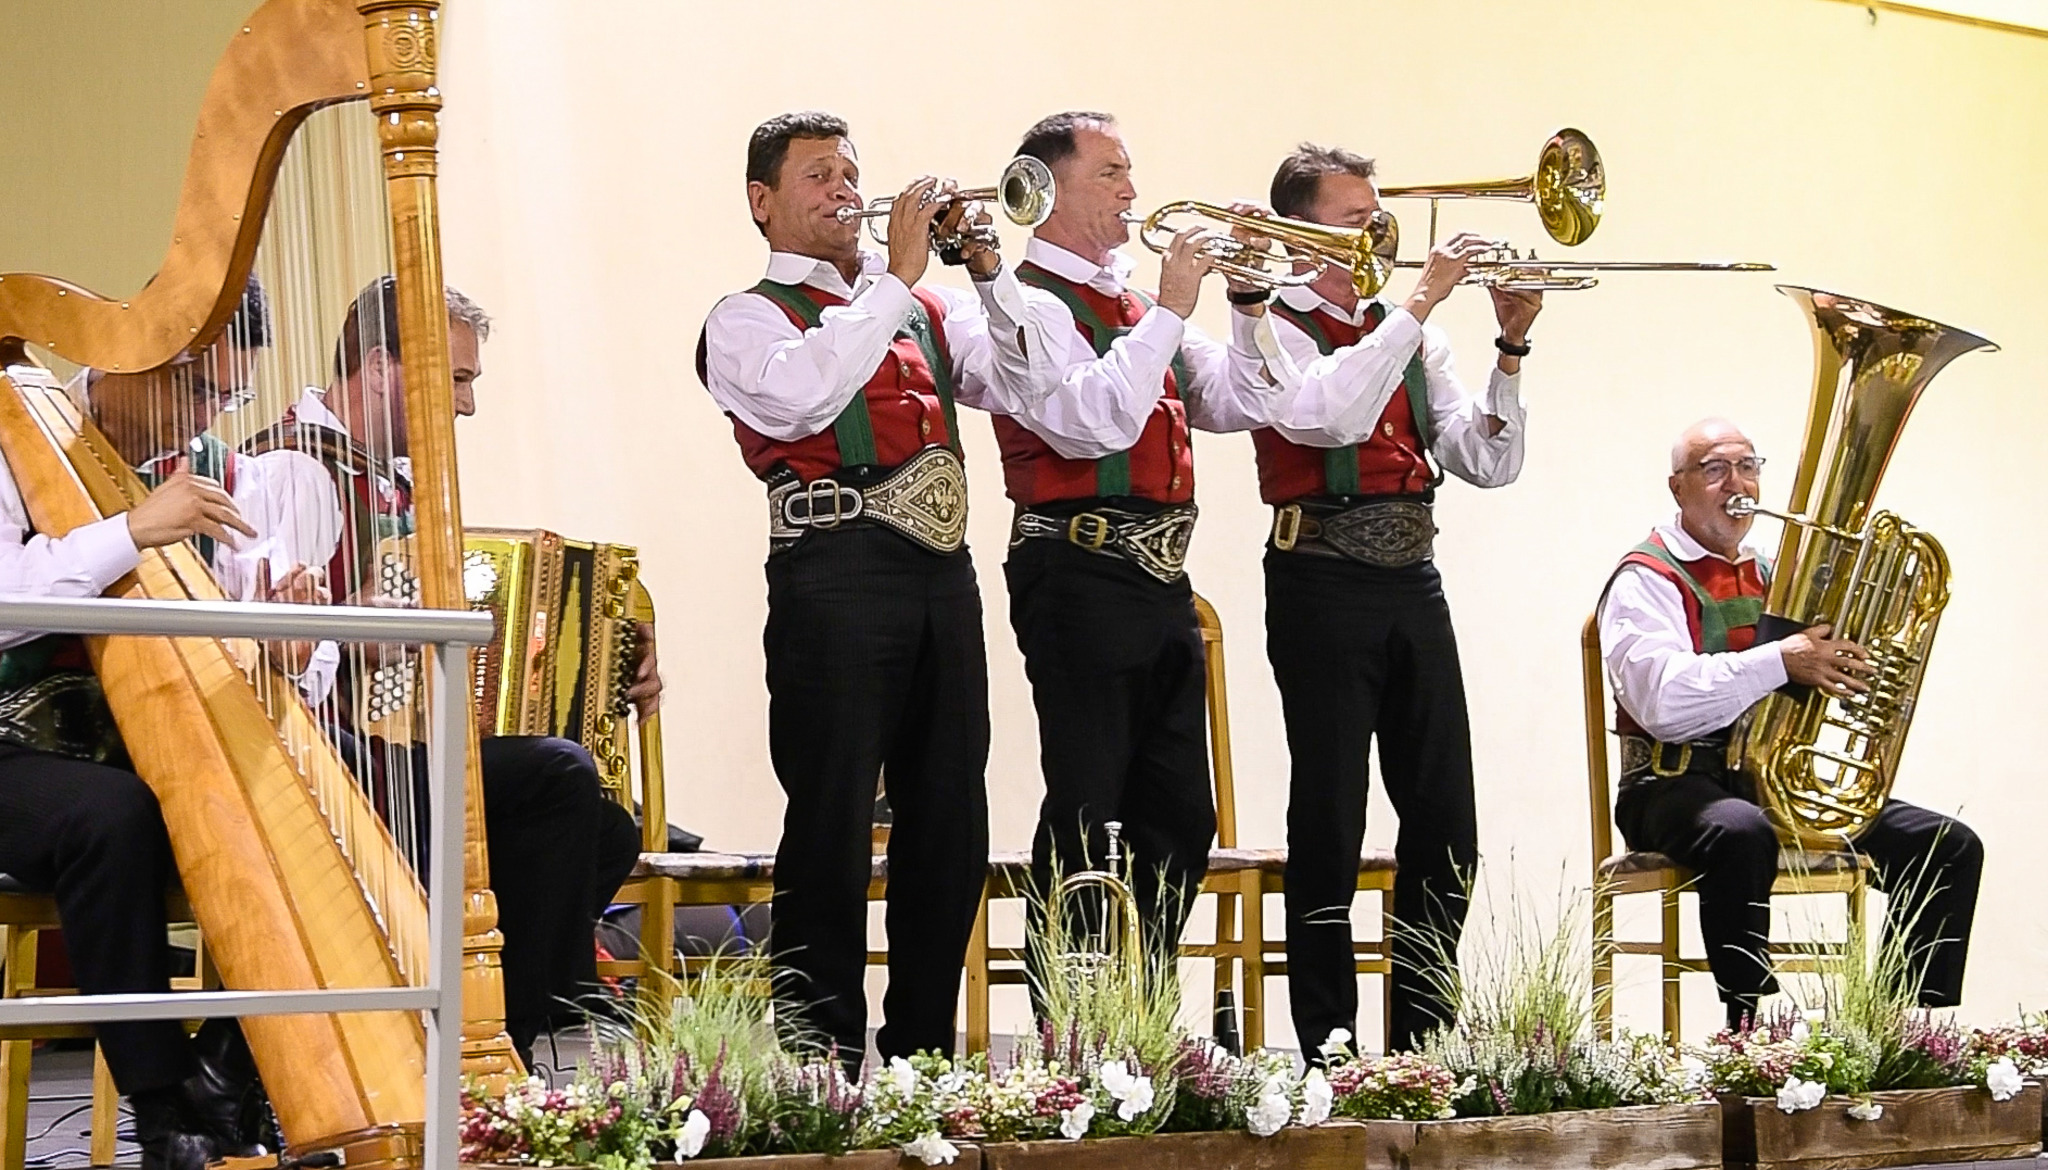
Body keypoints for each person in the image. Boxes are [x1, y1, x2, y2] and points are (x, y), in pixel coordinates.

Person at [697, 109, 1074, 1066]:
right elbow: (801, 396)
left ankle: (923, 1059)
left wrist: (987, 276)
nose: (845, 193)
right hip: (834, 573)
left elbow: (1036, 385)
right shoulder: (743, 318)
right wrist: (897, 279)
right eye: (818, 176)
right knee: (828, 818)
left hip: (940, 575)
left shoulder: (922, 308)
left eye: (850, 174)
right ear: (762, 201)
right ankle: (819, 1059)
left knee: (950, 817)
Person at [233, 277, 651, 1063]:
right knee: (559, 784)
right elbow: (272, 661)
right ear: (384, 365)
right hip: (324, 763)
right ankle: (497, 1048)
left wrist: (606, 655)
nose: (465, 407)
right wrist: (365, 628)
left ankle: (479, 1033)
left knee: (602, 826)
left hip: (395, 752)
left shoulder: (396, 482)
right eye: (457, 380)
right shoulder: (294, 471)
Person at [1225, 144, 1540, 1056]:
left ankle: (1424, 1043)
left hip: (1412, 579)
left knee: (1446, 818)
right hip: (1318, 575)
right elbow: (1330, 415)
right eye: (1359, 220)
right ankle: (1325, 1038)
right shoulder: (1267, 325)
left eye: (1377, 215)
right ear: (1299, 232)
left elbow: (1488, 463)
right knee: (1329, 813)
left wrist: (1511, 349)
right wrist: (1423, 302)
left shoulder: (1412, 331)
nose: (1385, 236)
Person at [985, 110, 1268, 966]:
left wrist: (1249, 304)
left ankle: (1136, 1006)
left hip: (1160, 580)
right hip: (1075, 566)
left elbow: (1245, 403)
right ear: (1050, 190)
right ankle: (1071, 1023)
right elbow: (1088, 423)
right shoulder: (1025, 302)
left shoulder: (1140, 307)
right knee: (1086, 802)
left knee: (1181, 813)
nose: (1133, 193)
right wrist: (1173, 308)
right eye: (1110, 174)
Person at [1598, 417, 1982, 1029]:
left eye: (1748, 467)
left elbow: (1829, 659)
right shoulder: (1647, 577)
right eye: (1715, 469)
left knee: (1948, 847)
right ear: (1678, 488)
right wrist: (1782, 659)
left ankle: (1906, 1030)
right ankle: (1749, 1028)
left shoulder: (1777, 569)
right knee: (1742, 832)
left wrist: (1863, 646)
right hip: (1672, 782)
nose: (1737, 483)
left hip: (1769, 775)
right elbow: (1663, 703)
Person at [0, 356, 264, 1168]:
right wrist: (132, 530)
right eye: (196, 389)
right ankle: (162, 1113)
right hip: (9, 746)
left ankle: (231, 1074)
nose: (208, 414)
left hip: (135, 738)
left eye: (230, 395)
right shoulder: (11, 440)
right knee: (109, 817)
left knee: (335, 790)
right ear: (123, 365)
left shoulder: (213, 470)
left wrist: (279, 638)